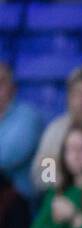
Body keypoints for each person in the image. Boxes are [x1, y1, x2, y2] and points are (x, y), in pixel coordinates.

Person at [0, 63, 41, 200]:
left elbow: (6, 157)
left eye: (1, 83)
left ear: (13, 88)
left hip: (20, 200)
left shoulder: (28, 117)